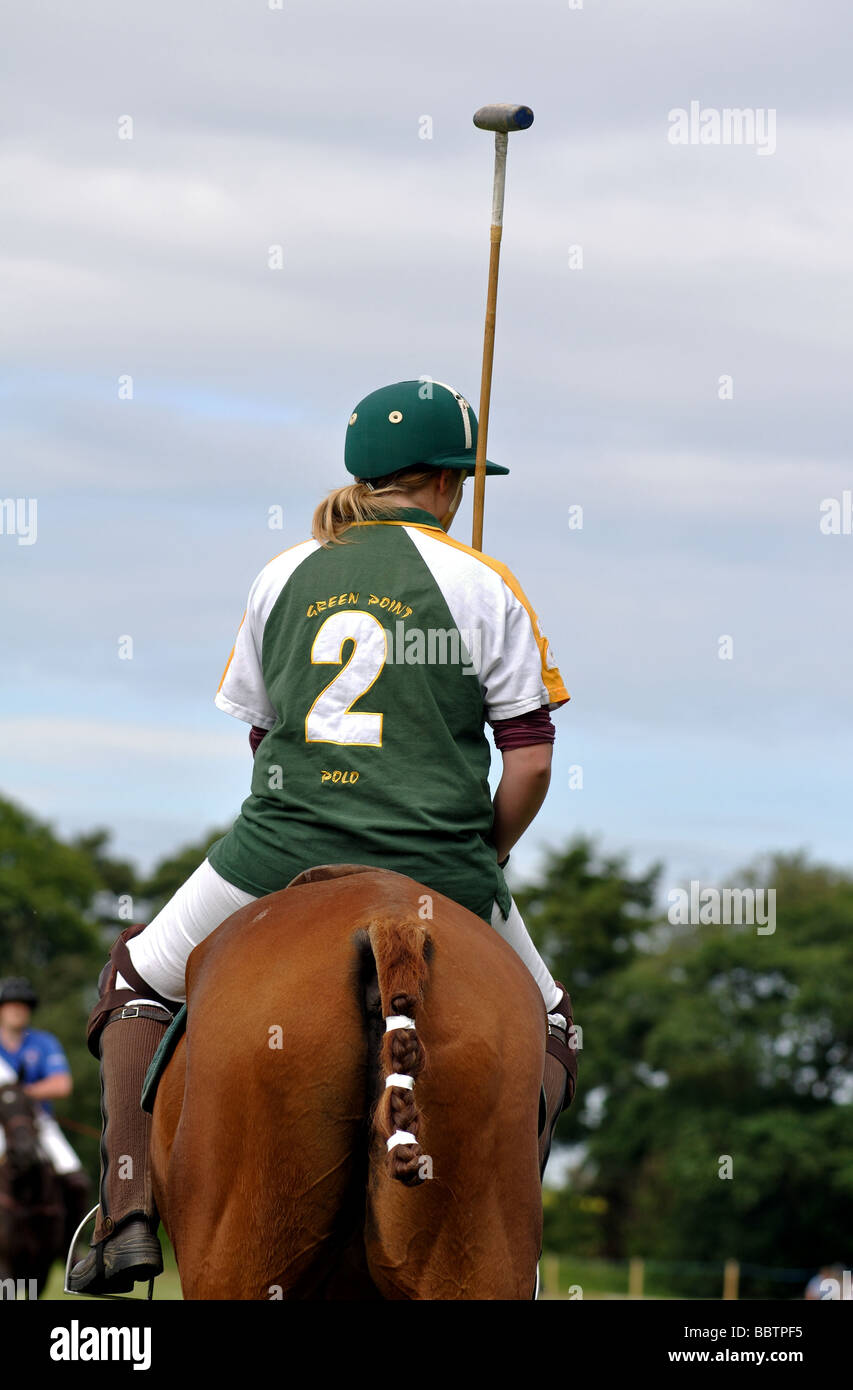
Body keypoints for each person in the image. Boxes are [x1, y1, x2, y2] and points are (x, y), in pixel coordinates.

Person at [70, 378, 577, 1294]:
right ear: (449, 483)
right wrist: (481, 859)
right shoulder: (484, 581)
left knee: (137, 977)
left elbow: (264, 737)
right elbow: (531, 766)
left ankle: (128, 1215)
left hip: (279, 851)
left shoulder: (285, 572)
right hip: (440, 866)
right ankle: (510, 1245)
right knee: (546, 1023)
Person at [0, 977, 91, 1217]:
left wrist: (20, 1093)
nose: (17, 1010)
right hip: (1, 1124)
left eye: (23, 1005)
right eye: (11, 1004)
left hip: (38, 1123)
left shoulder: (44, 1043)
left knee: (75, 1178)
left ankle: (73, 1245)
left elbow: (62, 1084)